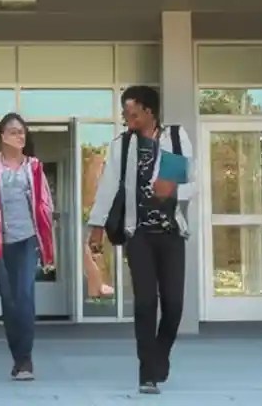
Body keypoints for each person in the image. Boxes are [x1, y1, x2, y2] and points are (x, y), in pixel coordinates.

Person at [86, 85, 194, 395]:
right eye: (124, 113)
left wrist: (171, 188)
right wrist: (96, 226)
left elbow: (188, 180)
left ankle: (160, 355)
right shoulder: (123, 145)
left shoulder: (174, 137)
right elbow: (109, 186)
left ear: (149, 112)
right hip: (139, 235)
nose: (127, 118)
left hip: (172, 233)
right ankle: (147, 371)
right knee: (146, 303)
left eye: (132, 112)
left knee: (173, 305)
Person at [0, 113, 55, 381]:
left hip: (26, 240)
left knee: (25, 297)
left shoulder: (35, 167)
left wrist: (46, 241)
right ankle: (17, 357)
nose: (20, 136)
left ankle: (25, 359)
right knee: (9, 301)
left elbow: (45, 204)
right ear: (2, 136)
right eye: (14, 132)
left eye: (22, 132)